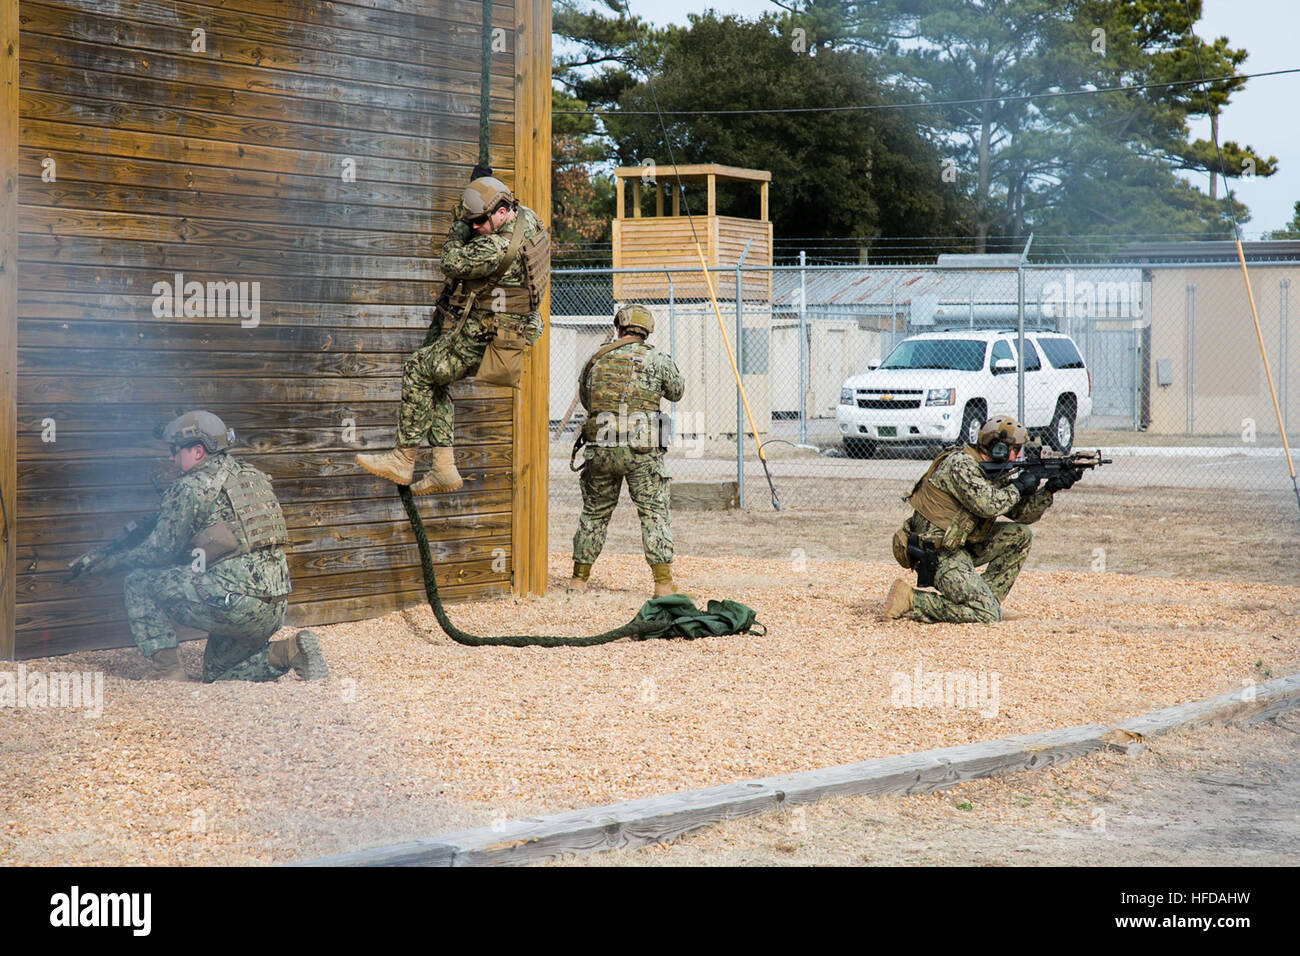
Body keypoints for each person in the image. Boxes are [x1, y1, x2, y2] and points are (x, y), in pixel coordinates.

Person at [90, 411, 326, 682]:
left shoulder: (190, 487)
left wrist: (115, 560)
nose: (170, 457)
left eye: (175, 450)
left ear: (199, 451)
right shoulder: (251, 476)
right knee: (220, 672)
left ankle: (167, 672)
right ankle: (290, 650)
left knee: (138, 583)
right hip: (273, 607)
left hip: (235, 604)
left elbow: (158, 552)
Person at [356, 176, 550, 493]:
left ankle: (402, 460)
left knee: (418, 369)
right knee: (438, 376)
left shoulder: (495, 248)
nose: (474, 227)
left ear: (502, 211)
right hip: (516, 328)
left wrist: (458, 230)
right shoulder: (529, 219)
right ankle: (443, 467)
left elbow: (450, 261)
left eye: (478, 221)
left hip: (487, 338)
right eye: (470, 222)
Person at [882, 415, 1081, 624]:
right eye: (1014, 449)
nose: (1017, 455)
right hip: (938, 553)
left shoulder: (989, 471)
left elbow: (1021, 514)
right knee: (986, 616)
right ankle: (913, 599)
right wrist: (1019, 487)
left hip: (959, 544)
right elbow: (989, 505)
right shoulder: (961, 465)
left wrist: (1050, 490)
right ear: (999, 449)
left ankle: (988, 601)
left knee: (1020, 536)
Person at [569, 304, 685, 597]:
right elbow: (677, 392)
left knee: (594, 512)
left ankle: (578, 581)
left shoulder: (596, 358)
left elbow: (586, 399)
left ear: (619, 328)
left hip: (601, 447)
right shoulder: (656, 359)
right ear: (646, 331)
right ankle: (663, 585)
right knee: (653, 513)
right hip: (641, 452)